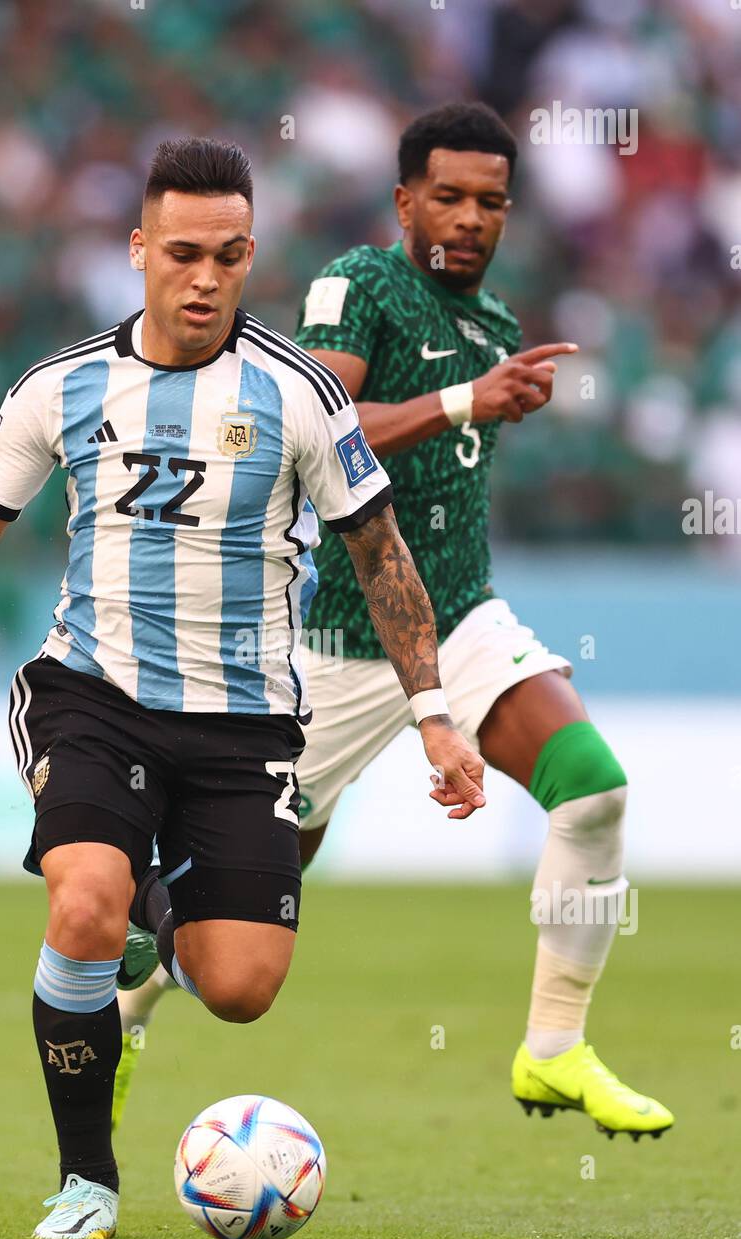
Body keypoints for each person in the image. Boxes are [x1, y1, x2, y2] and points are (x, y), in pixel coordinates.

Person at [0, 136, 485, 1239]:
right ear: (138, 249)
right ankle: (86, 1179)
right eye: (181, 252)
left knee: (239, 987)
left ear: (250, 255)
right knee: (81, 897)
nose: (205, 277)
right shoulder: (63, 384)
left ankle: (153, 913)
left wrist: (433, 712)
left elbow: (379, 555)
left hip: (246, 723)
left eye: (229, 255)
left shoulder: (300, 395)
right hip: (95, 693)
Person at [115, 106, 673, 1144]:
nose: (469, 220)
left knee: (592, 787)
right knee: (233, 929)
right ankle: (129, 1008)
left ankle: (553, 1048)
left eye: (491, 202)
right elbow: (325, 424)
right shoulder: (357, 284)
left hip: (457, 620)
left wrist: (480, 392)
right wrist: (469, 401)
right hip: (332, 641)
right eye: (448, 197)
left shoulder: (496, 324)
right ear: (404, 198)